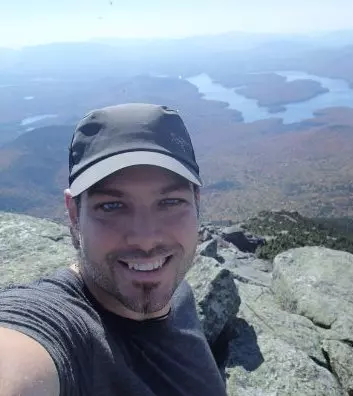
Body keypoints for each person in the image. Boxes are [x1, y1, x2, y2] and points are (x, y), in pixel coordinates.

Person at [0, 103, 228, 396]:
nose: (146, 239)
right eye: (112, 206)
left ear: (196, 201)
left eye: (170, 202)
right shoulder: (56, 326)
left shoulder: (178, 293)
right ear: (73, 215)